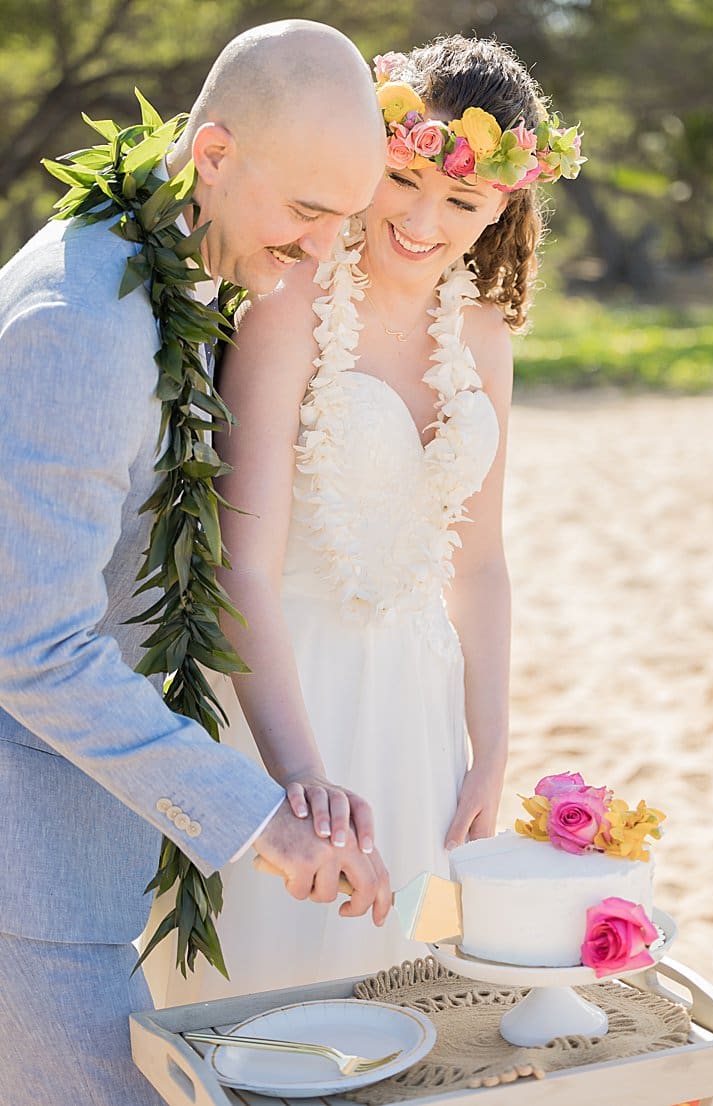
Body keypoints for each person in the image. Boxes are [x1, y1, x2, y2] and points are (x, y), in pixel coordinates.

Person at [0, 21, 396, 1106]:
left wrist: (298, 774)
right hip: (28, 879)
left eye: (344, 221)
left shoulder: (167, 267)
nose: (323, 255)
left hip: (89, 843)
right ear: (212, 154)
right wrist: (255, 816)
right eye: (309, 214)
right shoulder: (80, 316)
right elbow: (28, 644)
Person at [148, 34, 584, 1005]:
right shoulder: (288, 299)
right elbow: (241, 565)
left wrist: (490, 744)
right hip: (286, 689)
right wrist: (299, 778)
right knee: (271, 1001)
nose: (423, 219)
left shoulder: (484, 337)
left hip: (417, 703)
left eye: (461, 201)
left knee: (394, 1002)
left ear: (501, 205)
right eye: (403, 179)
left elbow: (478, 565)